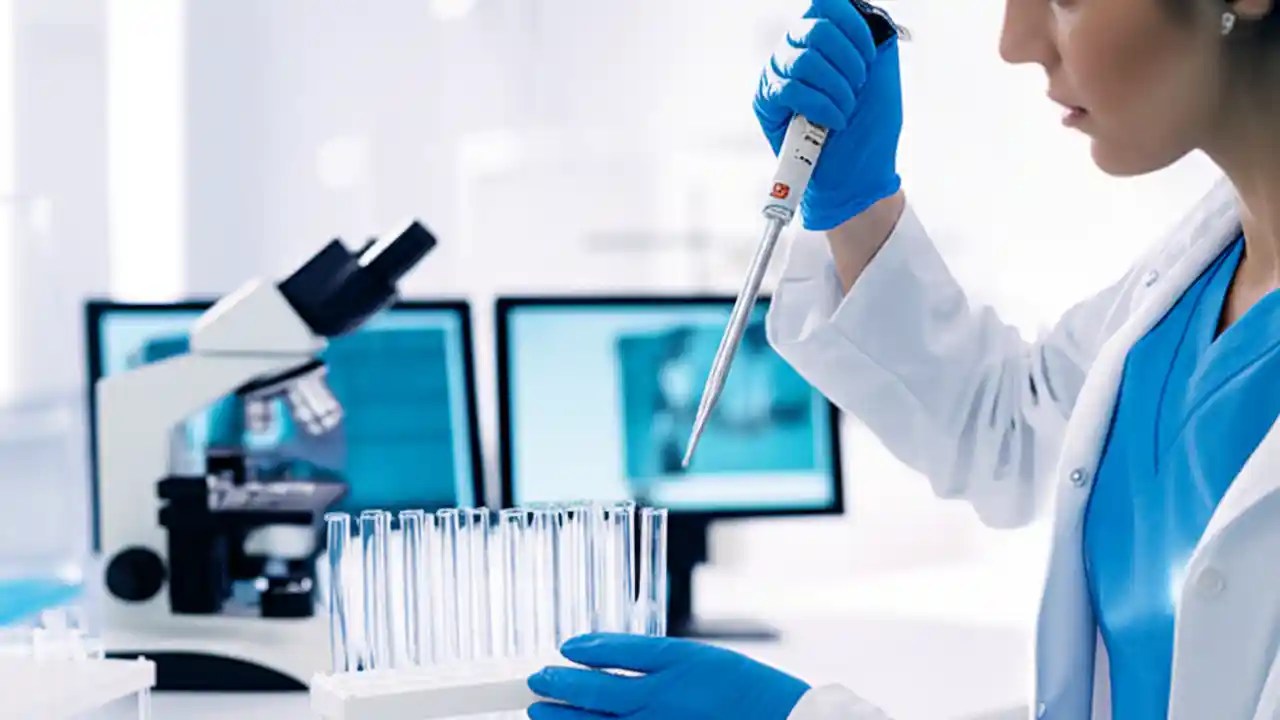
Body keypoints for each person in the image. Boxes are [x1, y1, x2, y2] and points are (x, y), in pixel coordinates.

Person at [527, 0, 1280, 716]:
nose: (1014, 43)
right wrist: (853, 199)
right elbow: (1012, 429)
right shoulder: (1199, 275)